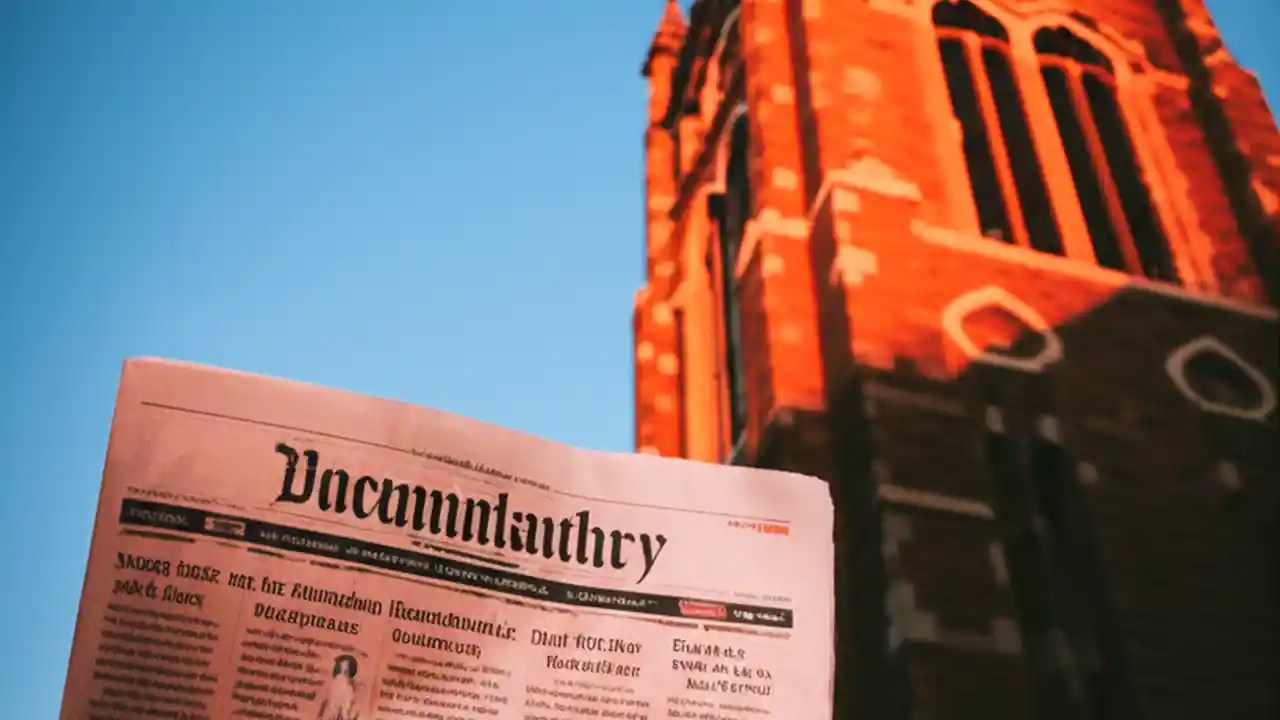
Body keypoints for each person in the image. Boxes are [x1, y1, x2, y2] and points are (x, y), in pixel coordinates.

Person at [316, 654, 360, 720]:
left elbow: (350, 709)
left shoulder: (350, 689)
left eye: (346, 671)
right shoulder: (331, 685)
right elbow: (324, 703)